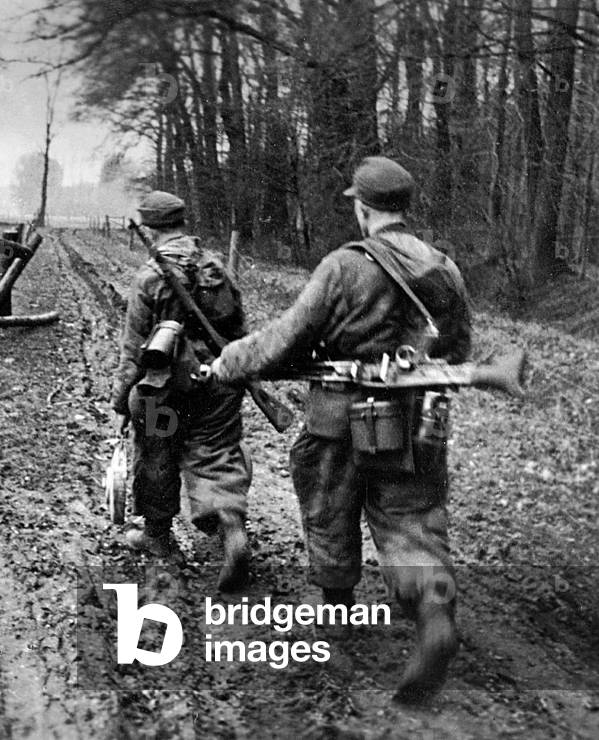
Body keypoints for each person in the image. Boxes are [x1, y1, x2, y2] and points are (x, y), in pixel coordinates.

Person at [210, 156, 472, 703]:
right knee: (413, 525)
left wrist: (229, 362)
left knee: (330, 509)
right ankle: (434, 621)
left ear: (362, 207)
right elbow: (458, 350)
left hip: (338, 421)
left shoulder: (344, 265)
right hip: (416, 423)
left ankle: (336, 614)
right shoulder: (444, 268)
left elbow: (286, 338)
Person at [112, 190, 252, 593]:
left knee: (158, 448)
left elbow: (133, 348)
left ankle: (157, 536)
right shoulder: (217, 269)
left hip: (166, 394)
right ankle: (229, 524)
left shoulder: (149, 277)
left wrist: (121, 400)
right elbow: (239, 331)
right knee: (217, 451)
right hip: (217, 387)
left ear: (151, 228)